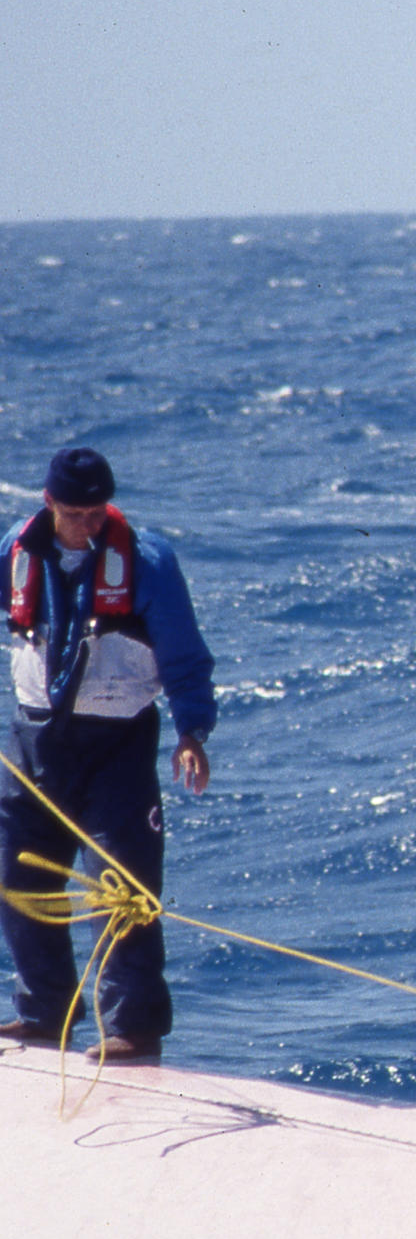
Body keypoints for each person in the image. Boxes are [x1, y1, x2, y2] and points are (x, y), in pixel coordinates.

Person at [1, 447, 217, 1059]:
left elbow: (184, 653)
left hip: (117, 742)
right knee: (17, 874)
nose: (90, 525)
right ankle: (43, 1012)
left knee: (121, 884)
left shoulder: (147, 561)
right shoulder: (14, 551)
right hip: (33, 738)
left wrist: (192, 731)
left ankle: (133, 1025)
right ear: (49, 504)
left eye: (98, 513)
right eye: (76, 513)